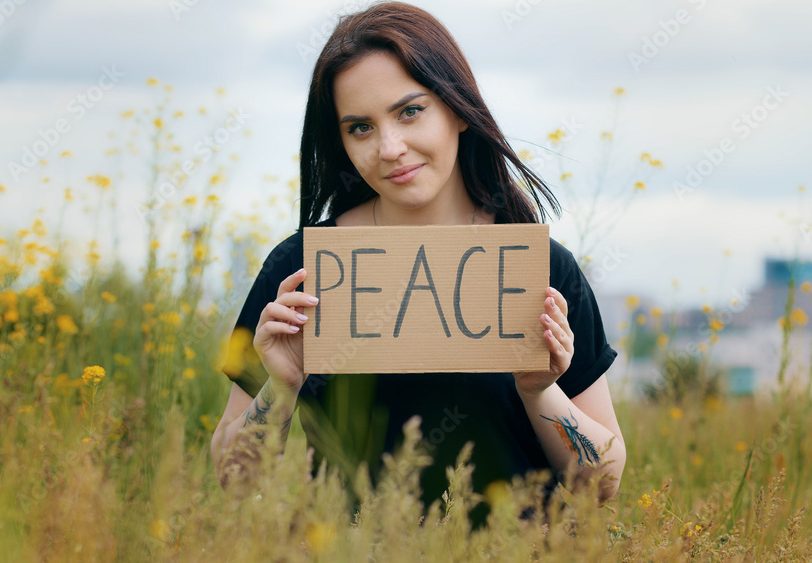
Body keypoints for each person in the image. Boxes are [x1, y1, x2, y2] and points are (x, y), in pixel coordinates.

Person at [210, 1, 625, 528]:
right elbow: (232, 479)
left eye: (409, 112)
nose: (390, 148)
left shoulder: (539, 268)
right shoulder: (302, 269)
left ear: (458, 108)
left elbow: (604, 484)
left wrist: (540, 390)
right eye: (360, 127)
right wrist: (282, 385)